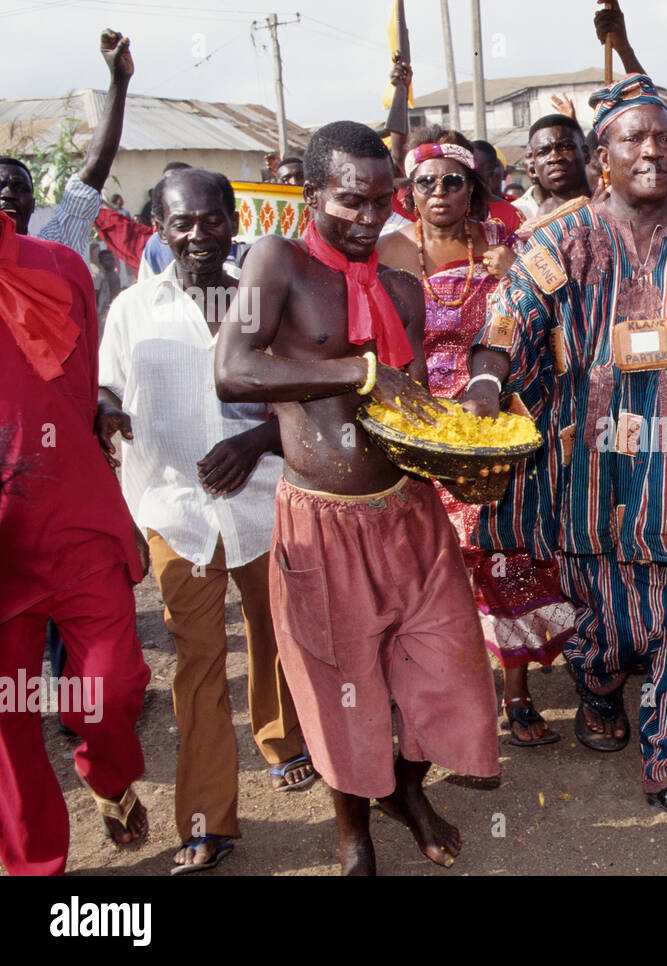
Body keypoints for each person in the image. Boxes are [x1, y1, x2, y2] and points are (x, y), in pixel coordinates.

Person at [462, 74, 667, 826]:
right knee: (602, 626)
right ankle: (598, 685)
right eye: (633, 138)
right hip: (594, 474)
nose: (654, 150)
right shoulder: (559, 241)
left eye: (666, 138)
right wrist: (487, 382)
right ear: (600, 157)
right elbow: (505, 326)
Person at [214, 120, 499, 874]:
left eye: (383, 200)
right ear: (313, 196)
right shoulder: (275, 263)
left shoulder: (402, 289)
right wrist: (352, 372)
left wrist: (466, 446)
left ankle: (406, 792)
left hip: (409, 515)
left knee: (447, 679)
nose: (371, 217)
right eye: (351, 202)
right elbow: (232, 371)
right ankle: (354, 835)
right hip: (321, 521)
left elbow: (401, 411)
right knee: (347, 690)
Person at [97, 168, 315, 875]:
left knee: (273, 632)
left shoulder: (264, 303)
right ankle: (207, 818)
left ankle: (281, 738)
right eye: (181, 223)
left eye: (211, 220)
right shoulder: (133, 308)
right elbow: (105, 379)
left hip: (262, 498)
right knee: (198, 662)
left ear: (233, 219)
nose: (197, 235)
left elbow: (308, 397)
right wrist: (105, 411)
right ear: (158, 227)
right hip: (173, 509)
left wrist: (254, 443)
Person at [376, 130, 576, 747]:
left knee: (503, 554)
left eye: (454, 181)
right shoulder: (387, 251)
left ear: (474, 188)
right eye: (427, 183)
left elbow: (544, 313)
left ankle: (516, 698)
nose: (440, 193)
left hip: (490, 419)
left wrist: (513, 274)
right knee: (431, 567)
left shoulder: (502, 243)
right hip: (416, 424)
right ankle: (447, 699)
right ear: (409, 193)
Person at [0, 209, 152, 874]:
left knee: (112, 689)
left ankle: (110, 775)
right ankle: (37, 866)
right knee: (7, 726)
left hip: (77, 516)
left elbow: (80, 395)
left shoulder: (58, 265)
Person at [0, 28, 132, 256]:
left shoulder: (51, 250)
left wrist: (119, 81)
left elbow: (94, 171)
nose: (8, 194)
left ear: (32, 205)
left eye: (20, 189)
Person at [527, 114, 591, 218]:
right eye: (542, 152)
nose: (554, 157)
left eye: (565, 147)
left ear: (586, 154)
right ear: (534, 168)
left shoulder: (610, 204)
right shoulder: (536, 224)